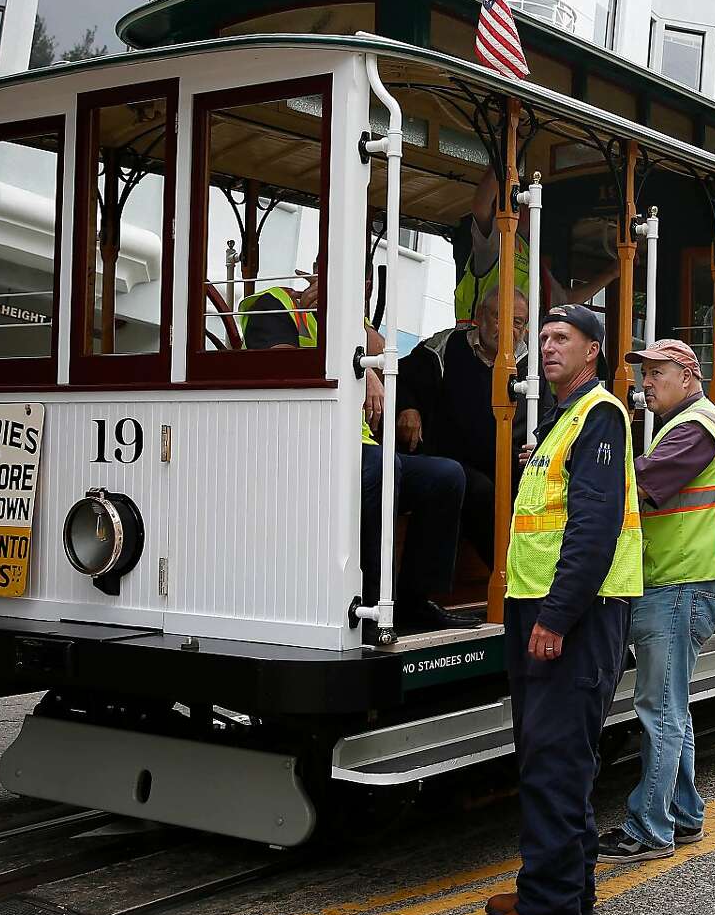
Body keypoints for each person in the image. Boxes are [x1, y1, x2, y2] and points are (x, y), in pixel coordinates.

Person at [468, 304, 640, 915]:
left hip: (573, 614)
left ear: (592, 350)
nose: (546, 347)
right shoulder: (564, 419)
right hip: (542, 607)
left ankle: (548, 910)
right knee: (555, 755)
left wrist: (557, 616)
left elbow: (593, 531)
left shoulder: (599, 416)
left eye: (561, 337)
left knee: (553, 759)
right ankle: (565, 884)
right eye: (541, 337)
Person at [247, 265, 471, 634]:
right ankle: (367, 602)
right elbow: (281, 361)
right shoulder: (276, 305)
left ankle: (412, 601)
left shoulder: (354, 317)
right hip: (299, 443)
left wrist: (347, 316)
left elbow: (385, 356)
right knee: (383, 467)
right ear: (318, 269)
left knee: (446, 475)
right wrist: (359, 368)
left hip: (355, 446)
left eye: (364, 283)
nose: (357, 287)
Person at [598, 339, 715, 863]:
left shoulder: (693, 428)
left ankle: (648, 829)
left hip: (683, 583)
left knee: (658, 709)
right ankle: (682, 814)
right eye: (644, 374)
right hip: (688, 580)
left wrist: (570, 466)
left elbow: (640, 483)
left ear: (689, 377)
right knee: (672, 706)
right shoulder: (692, 424)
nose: (647, 383)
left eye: (657, 373)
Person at [399, 288, 554, 567]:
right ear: (480, 316)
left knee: (547, 486)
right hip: (454, 459)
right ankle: (509, 576)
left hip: (509, 462)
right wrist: (408, 407)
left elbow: (547, 420)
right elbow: (402, 376)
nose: (509, 329)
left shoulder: (532, 365)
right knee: (478, 489)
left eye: (518, 322)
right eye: (500, 317)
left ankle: (542, 578)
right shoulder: (446, 347)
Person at [454, 170, 618, 325]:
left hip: (520, 351)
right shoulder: (498, 239)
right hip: (479, 347)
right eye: (521, 203)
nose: (525, 210)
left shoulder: (533, 259)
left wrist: (612, 273)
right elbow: (480, 207)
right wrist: (509, 149)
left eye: (528, 204)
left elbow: (566, 300)